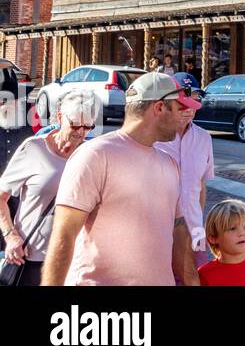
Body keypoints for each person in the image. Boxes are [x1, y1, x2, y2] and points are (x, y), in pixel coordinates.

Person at [41, 72, 202, 286]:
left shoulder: (169, 164)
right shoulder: (96, 155)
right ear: (160, 108)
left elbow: (178, 229)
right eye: (179, 108)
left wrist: (192, 282)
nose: (182, 117)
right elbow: (64, 234)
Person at [0, 91, 96, 287]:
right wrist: (11, 236)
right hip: (31, 257)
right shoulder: (34, 149)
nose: (81, 132)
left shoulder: (91, 155)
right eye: (75, 124)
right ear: (60, 117)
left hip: (73, 260)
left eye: (87, 126)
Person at [155, 77, 216, 272]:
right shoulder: (155, 137)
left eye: (196, 100)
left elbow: (201, 186)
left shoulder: (204, 138)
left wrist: (198, 225)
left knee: (198, 276)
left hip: (194, 229)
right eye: (185, 100)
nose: (190, 108)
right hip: (159, 229)